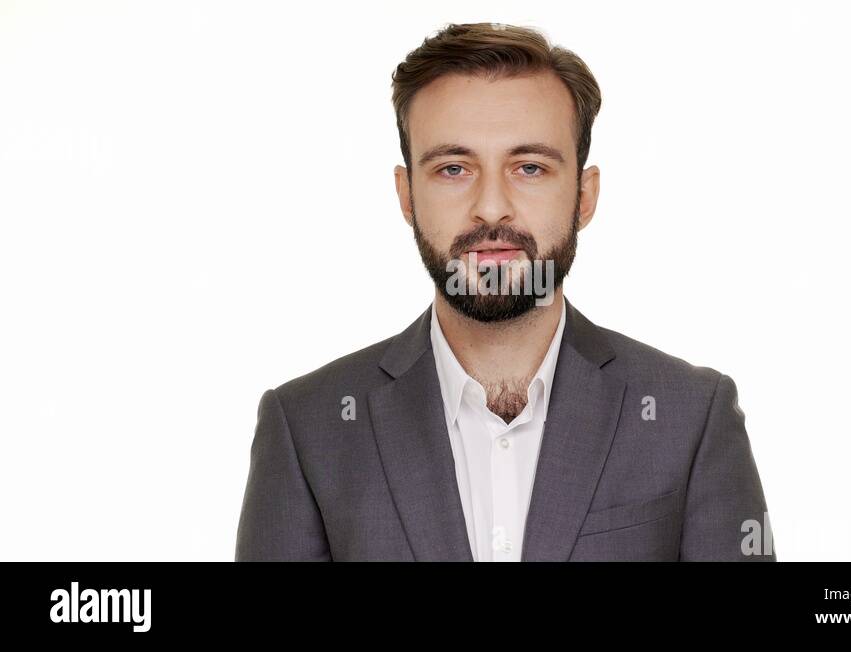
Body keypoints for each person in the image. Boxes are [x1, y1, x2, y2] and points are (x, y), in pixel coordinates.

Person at [235, 22, 774, 561]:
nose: (491, 207)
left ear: (584, 196)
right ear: (407, 196)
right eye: (453, 168)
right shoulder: (307, 428)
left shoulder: (693, 418)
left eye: (530, 167)